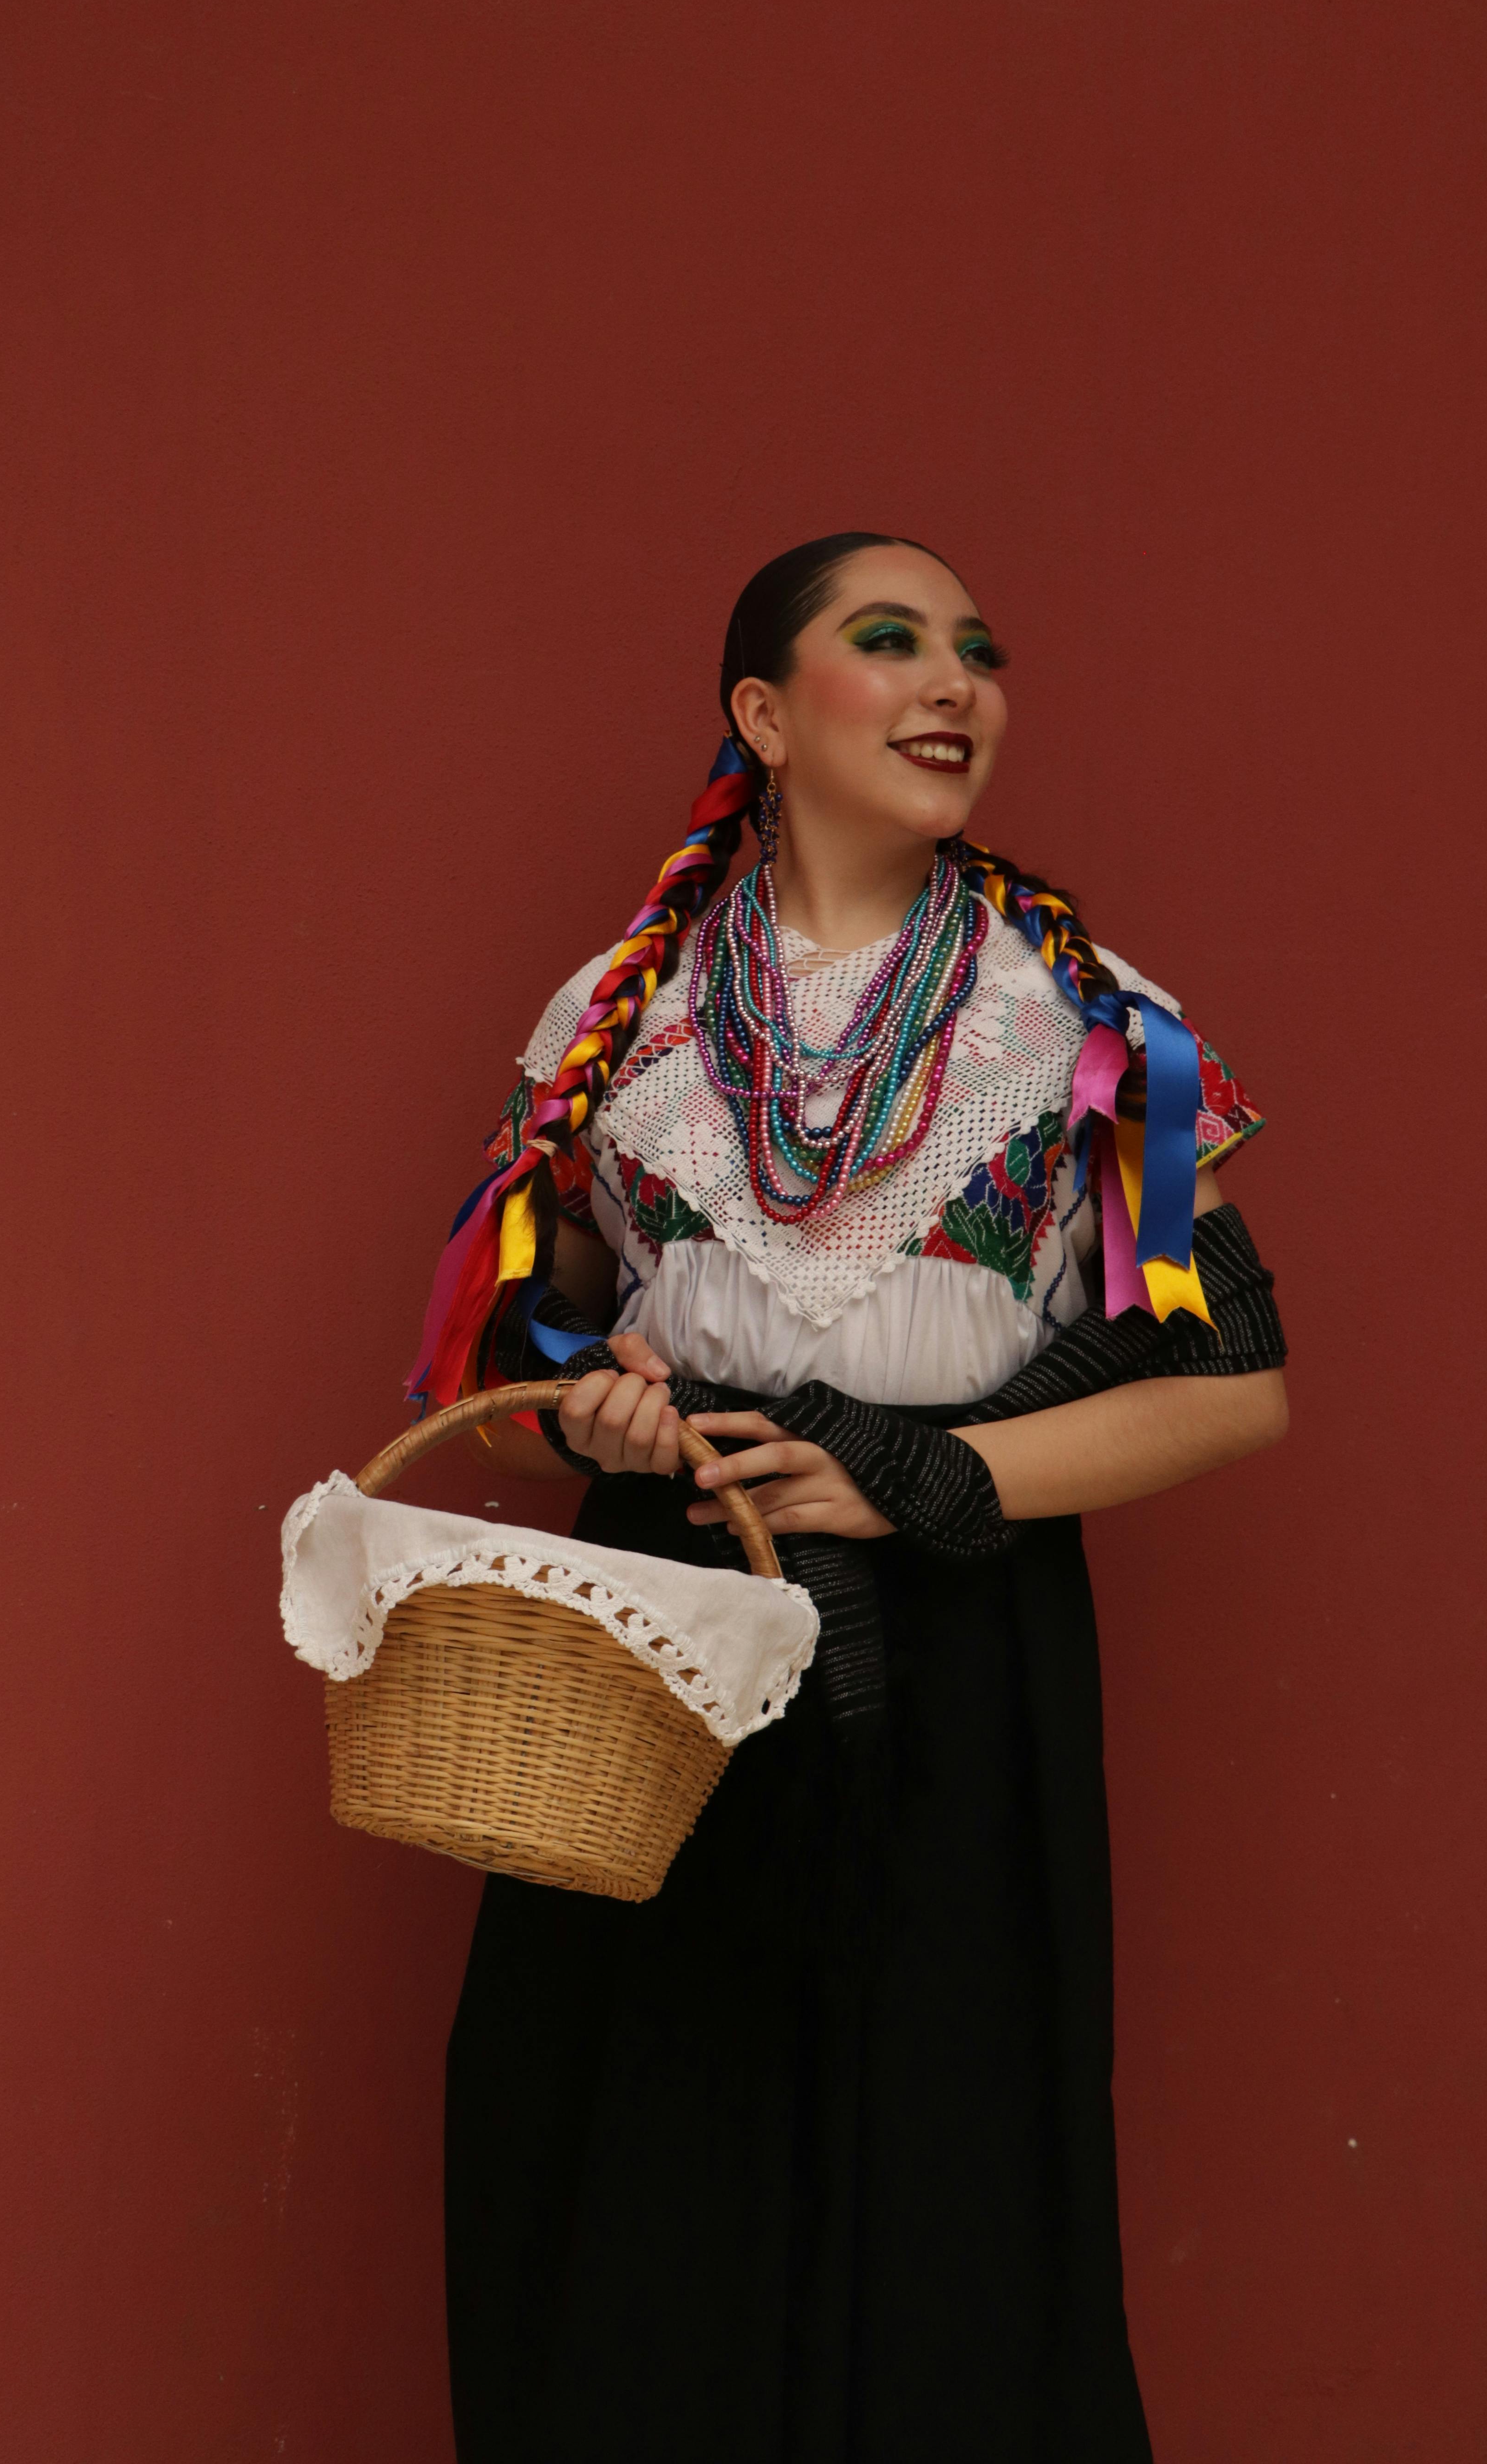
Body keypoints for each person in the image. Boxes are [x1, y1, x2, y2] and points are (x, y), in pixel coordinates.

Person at [411, 533, 1289, 2464]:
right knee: (634, 2170)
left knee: (949, 2189)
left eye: (978, 648)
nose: (953, 682)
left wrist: (922, 1474)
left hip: (956, 1660)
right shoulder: (615, 1014)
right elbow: (500, 1373)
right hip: (660, 1646)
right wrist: (603, 1419)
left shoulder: (1092, 1028)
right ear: (760, 713)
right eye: (887, 642)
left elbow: (1230, 1381)